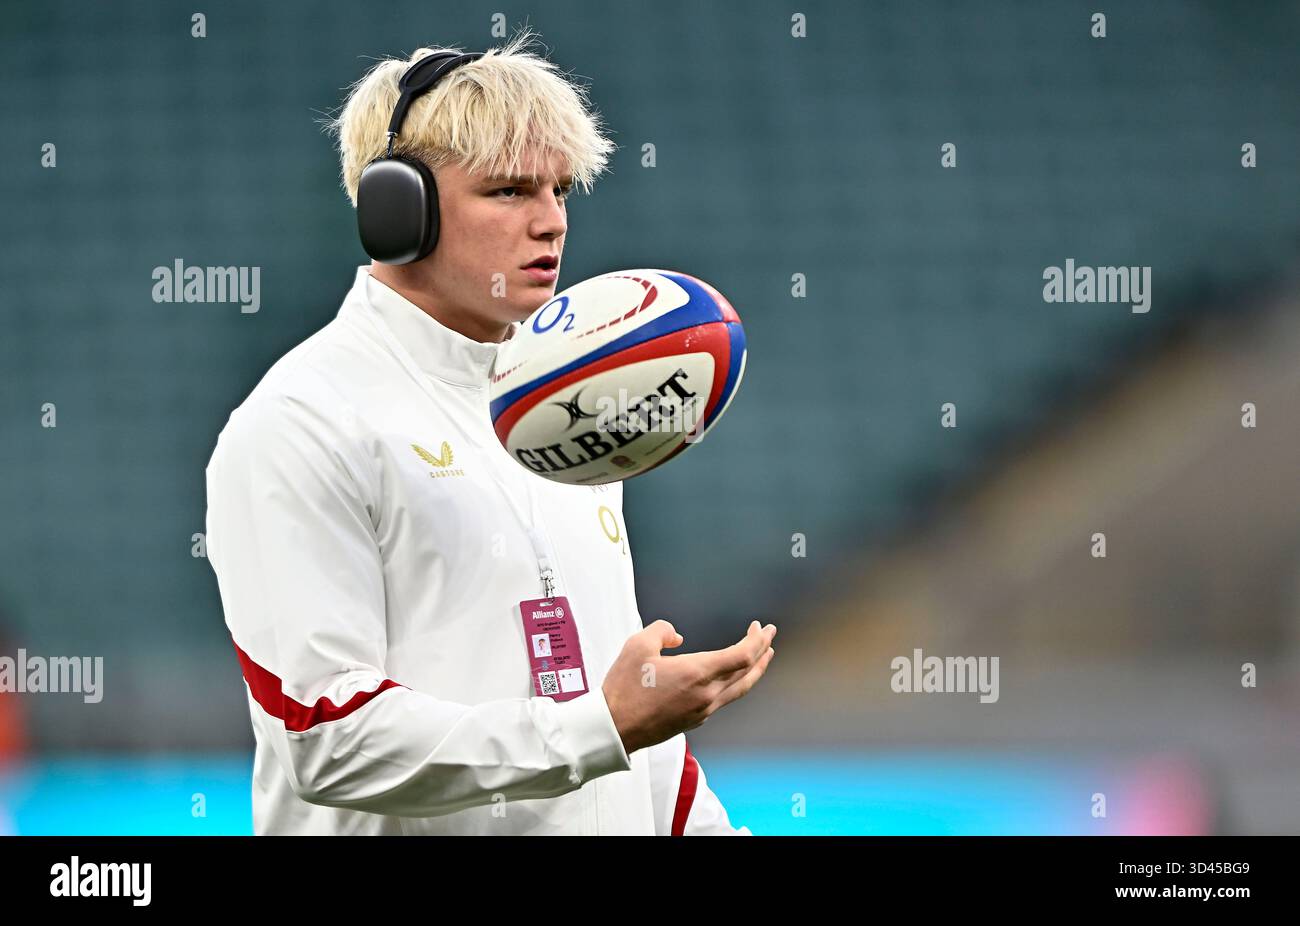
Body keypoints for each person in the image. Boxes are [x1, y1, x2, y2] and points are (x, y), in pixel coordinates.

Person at [204, 31, 776, 836]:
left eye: (562, 190)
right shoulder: (301, 420)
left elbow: (641, 763)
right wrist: (600, 727)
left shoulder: (564, 404)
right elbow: (325, 736)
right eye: (509, 191)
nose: (551, 224)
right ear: (396, 208)